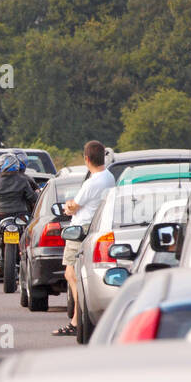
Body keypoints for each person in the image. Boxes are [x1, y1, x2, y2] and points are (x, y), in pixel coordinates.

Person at [55, 141, 115, 337]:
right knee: (75, 275)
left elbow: (74, 206)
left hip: (80, 229)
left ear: (87, 159)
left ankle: (77, 320)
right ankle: (77, 317)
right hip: (95, 226)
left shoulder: (92, 182)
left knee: (72, 275)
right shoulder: (109, 177)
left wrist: (68, 206)